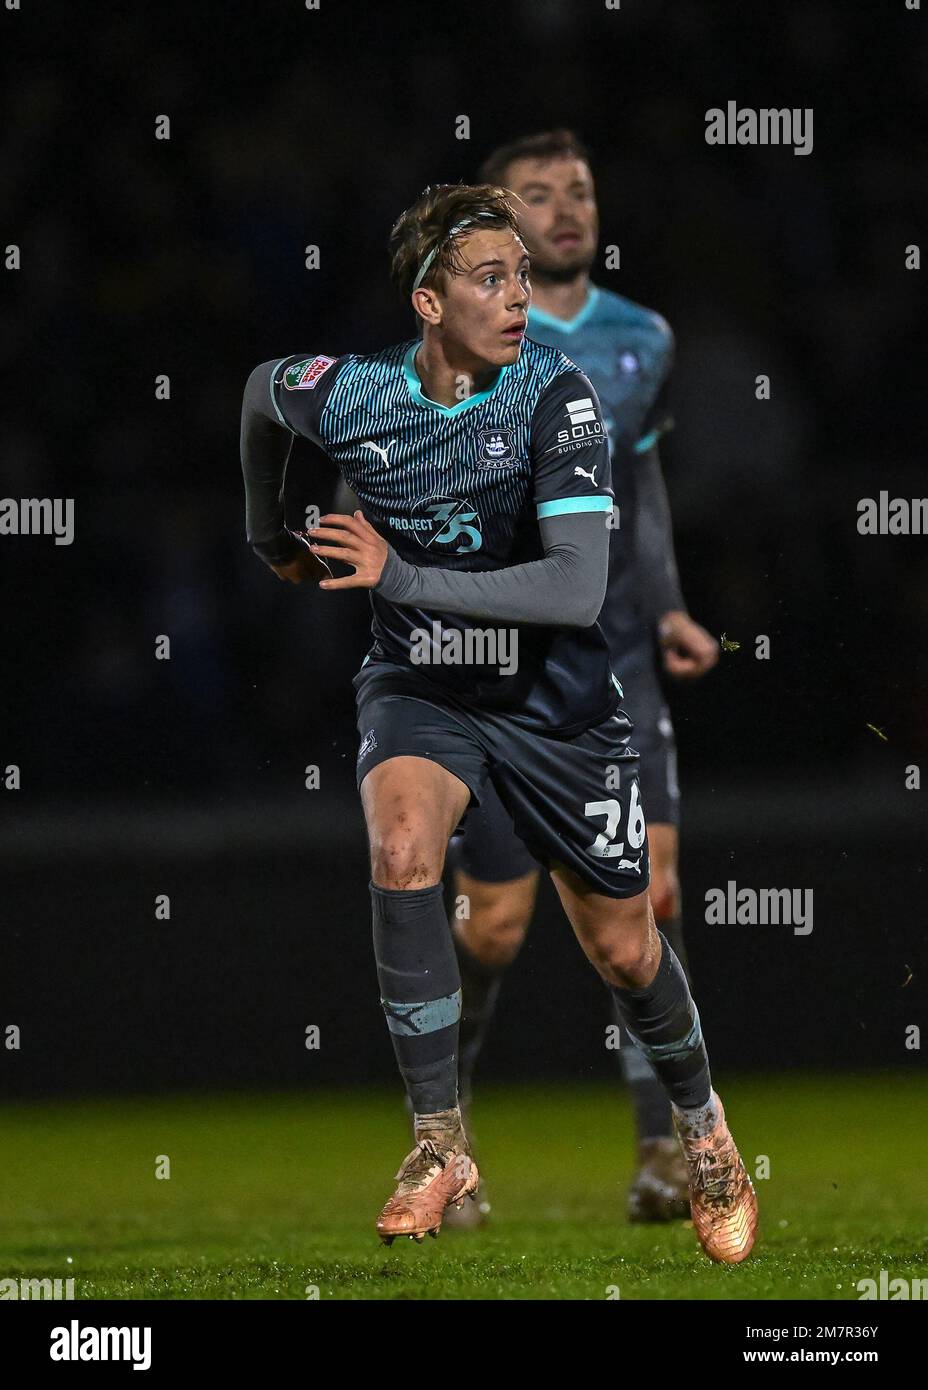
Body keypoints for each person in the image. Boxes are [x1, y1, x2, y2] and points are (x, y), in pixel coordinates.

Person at [239, 182, 757, 1262]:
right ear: (428, 303)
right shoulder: (354, 392)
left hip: (557, 707)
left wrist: (400, 570)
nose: (519, 295)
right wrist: (267, 534)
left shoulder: (554, 400)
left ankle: (705, 1134)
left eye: (522, 275)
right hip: (423, 689)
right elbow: (259, 391)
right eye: (490, 278)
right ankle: (439, 1142)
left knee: (622, 946)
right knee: (399, 847)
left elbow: (574, 590)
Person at [437, 130, 721, 1227]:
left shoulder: (640, 337)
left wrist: (669, 606)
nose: (566, 210)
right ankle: (443, 1134)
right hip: (503, 673)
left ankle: (663, 1151)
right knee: (494, 926)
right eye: (538, 195)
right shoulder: (464, 339)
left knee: (648, 897)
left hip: (617, 670)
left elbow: (639, 489)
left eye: (581, 191)